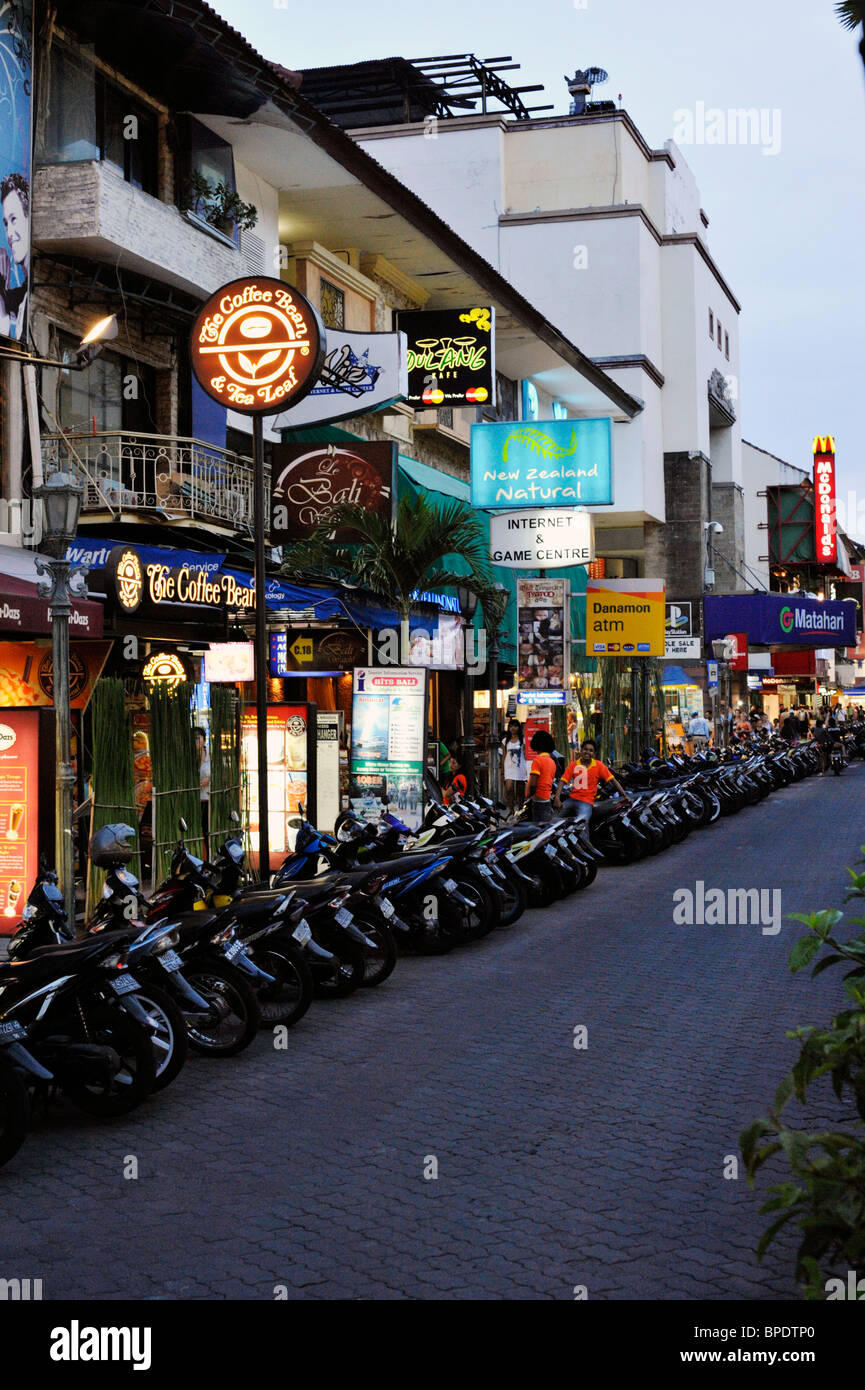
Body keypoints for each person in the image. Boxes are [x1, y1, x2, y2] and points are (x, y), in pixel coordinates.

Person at [554, 737, 630, 823]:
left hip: (586, 802)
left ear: (594, 753)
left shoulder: (598, 765)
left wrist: (625, 795)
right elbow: (562, 781)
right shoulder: (574, 765)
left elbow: (613, 780)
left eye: (591, 750)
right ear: (581, 750)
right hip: (571, 799)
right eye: (585, 749)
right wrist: (557, 798)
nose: (587, 752)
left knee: (582, 825)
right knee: (552, 822)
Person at [0, 173, 29, 339]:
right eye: (5, 223)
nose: (9, 233)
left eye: (14, 219)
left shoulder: (30, 296)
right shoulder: (18, 298)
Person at [524, 729, 557, 823]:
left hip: (537, 800)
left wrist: (529, 795)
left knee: (537, 829)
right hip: (547, 799)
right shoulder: (552, 761)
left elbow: (533, 783)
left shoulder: (537, 760)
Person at [501, 719, 528, 816]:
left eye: (515, 726)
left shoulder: (523, 740)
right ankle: (511, 810)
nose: (513, 728)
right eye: (511, 726)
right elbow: (504, 755)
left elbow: (526, 753)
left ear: (519, 728)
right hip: (509, 767)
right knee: (509, 789)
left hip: (520, 766)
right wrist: (502, 771)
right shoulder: (505, 741)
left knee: (520, 790)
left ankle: (520, 809)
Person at [194, 726, 210, 856]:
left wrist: (209, 779)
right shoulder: (187, 758)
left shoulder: (211, 756)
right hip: (192, 801)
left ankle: (210, 859)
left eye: (198, 738)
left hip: (208, 799)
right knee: (193, 832)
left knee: (207, 831)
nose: (196, 742)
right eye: (193, 739)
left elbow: (220, 774)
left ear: (204, 740)